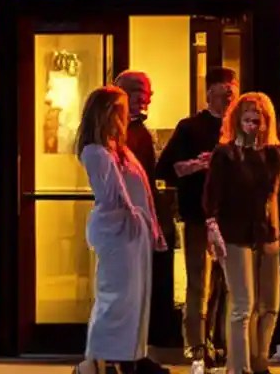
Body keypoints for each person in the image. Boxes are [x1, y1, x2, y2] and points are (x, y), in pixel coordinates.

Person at [204, 92, 280, 374]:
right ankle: (239, 367)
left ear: (266, 121)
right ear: (236, 119)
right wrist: (212, 230)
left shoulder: (276, 154)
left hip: (269, 233)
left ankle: (259, 361)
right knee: (242, 305)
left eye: (258, 117)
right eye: (247, 116)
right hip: (234, 234)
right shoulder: (225, 154)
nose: (253, 122)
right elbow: (211, 196)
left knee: (270, 305)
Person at [74, 86, 169, 374]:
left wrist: (150, 226)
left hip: (132, 230)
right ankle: (97, 360)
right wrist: (131, 216)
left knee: (134, 297)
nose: (127, 117)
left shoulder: (120, 149)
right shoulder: (97, 152)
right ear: (108, 114)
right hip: (118, 231)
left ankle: (128, 355)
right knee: (115, 295)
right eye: (122, 111)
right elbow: (110, 195)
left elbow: (141, 191)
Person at [157, 67, 239, 370]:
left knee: (230, 284)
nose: (229, 95)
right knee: (198, 283)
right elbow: (166, 169)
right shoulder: (190, 127)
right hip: (198, 217)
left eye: (233, 88)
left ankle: (225, 344)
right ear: (209, 93)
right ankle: (196, 347)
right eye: (223, 89)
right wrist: (198, 164)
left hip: (233, 220)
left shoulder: (240, 128)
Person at [114, 70, 180, 359]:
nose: (146, 99)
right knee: (131, 289)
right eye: (140, 92)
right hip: (132, 221)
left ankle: (145, 348)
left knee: (153, 285)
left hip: (151, 218)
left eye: (148, 93)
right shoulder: (115, 134)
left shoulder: (139, 131)